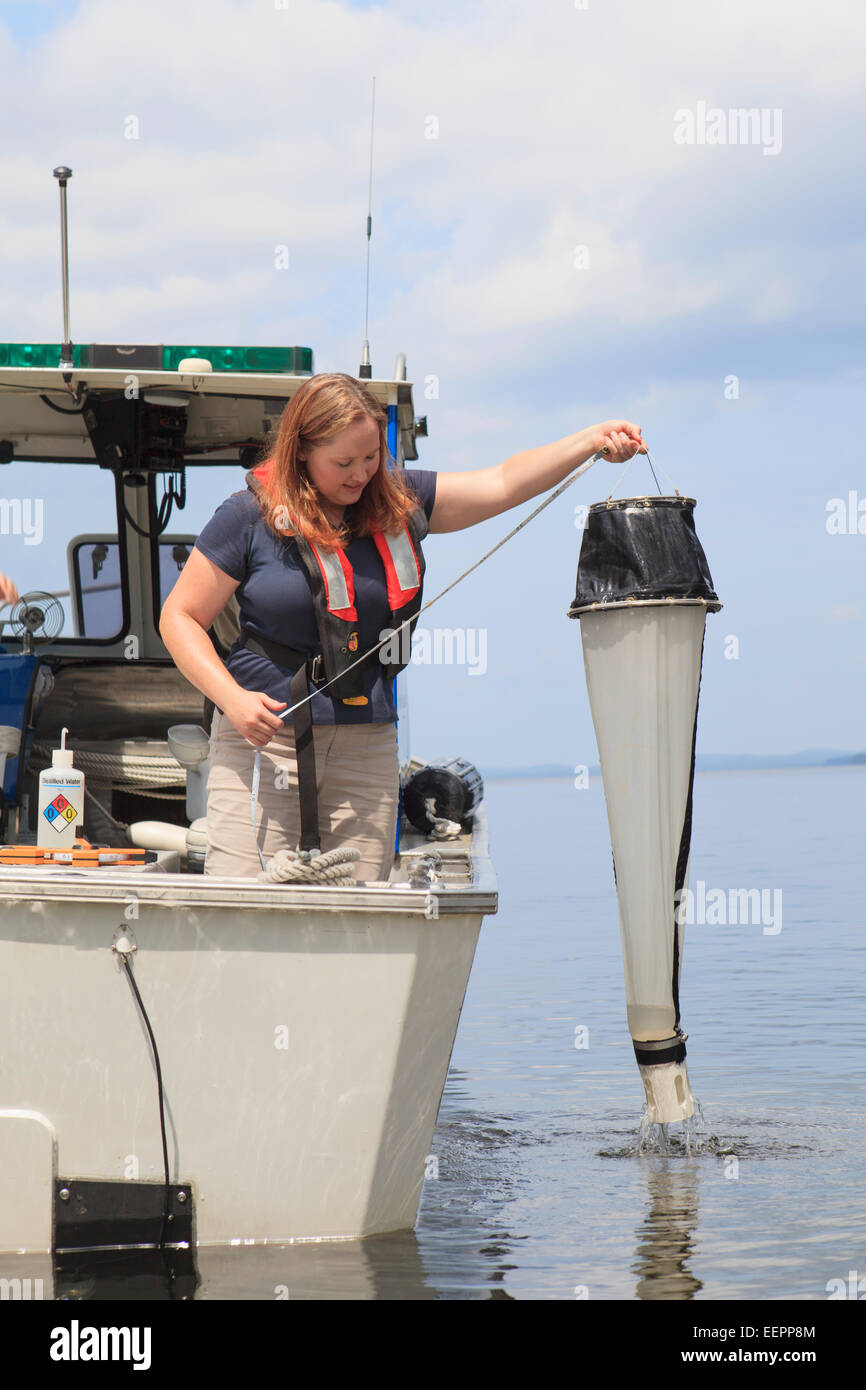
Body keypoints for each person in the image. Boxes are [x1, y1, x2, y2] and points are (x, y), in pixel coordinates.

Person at [159, 373, 644, 880]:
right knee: (249, 903)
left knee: (360, 915)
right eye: (343, 462)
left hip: (366, 746)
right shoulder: (245, 518)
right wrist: (232, 700)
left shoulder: (399, 497)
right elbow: (180, 617)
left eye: (370, 458)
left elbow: (501, 480)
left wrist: (589, 441)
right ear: (301, 451)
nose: (361, 474)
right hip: (265, 743)